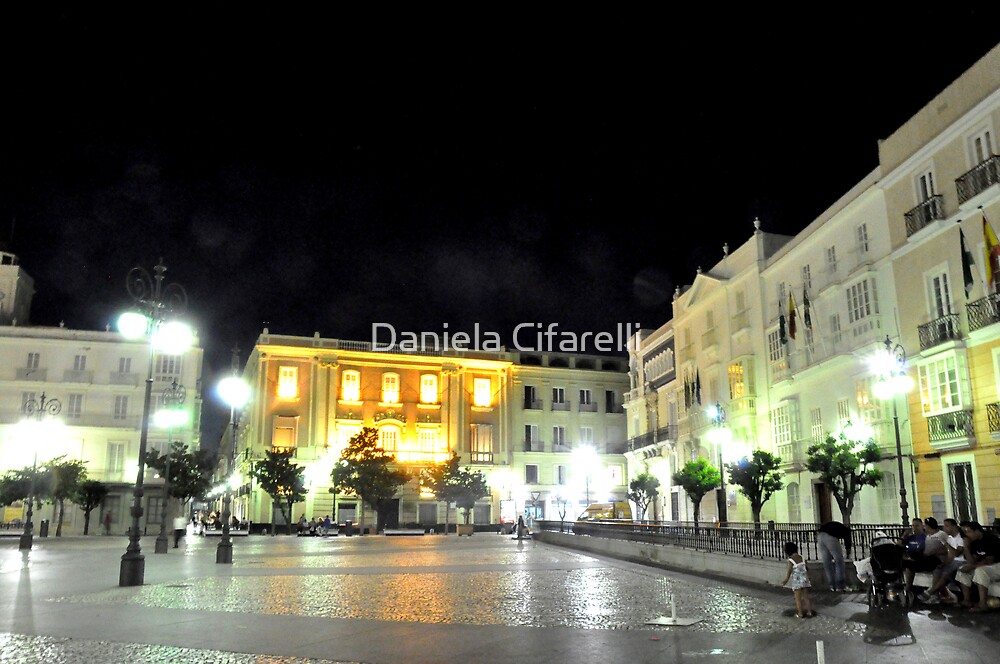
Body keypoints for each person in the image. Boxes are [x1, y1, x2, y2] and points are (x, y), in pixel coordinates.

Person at [956, 521, 1000, 612]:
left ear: (977, 531)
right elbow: (972, 561)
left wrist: (972, 566)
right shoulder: (974, 542)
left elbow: (989, 560)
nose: (967, 534)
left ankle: (982, 604)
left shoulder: (991, 539)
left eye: (969, 532)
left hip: (996, 564)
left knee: (980, 571)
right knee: (962, 570)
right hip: (984, 566)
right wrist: (966, 547)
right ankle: (967, 600)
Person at [919, 518, 965, 604]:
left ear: (954, 527)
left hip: (961, 561)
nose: (944, 528)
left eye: (946, 526)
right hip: (953, 562)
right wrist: (944, 564)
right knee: (938, 569)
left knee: (946, 573)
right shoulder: (950, 538)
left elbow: (957, 553)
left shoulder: (960, 538)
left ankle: (931, 592)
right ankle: (937, 595)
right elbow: (950, 556)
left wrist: (945, 544)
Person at [903, 516, 947, 598]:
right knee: (909, 565)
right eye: (913, 526)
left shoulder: (938, 535)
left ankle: (933, 594)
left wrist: (934, 552)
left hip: (935, 559)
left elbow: (947, 549)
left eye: (917, 525)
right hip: (924, 558)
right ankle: (908, 590)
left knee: (937, 568)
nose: (914, 528)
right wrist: (904, 536)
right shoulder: (925, 536)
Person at [782, 541, 815, 618]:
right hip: (804, 580)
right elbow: (806, 568)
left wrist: (786, 580)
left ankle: (800, 613)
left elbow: (789, 571)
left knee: (798, 598)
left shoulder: (790, 561)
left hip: (797, 581)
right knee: (806, 597)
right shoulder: (802, 558)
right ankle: (810, 612)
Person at [816, 520, 851, 592]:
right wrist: (848, 550)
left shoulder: (838, 526)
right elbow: (848, 542)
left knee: (827, 562)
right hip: (830, 537)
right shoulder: (847, 532)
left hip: (820, 536)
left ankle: (832, 585)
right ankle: (840, 585)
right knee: (839, 561)